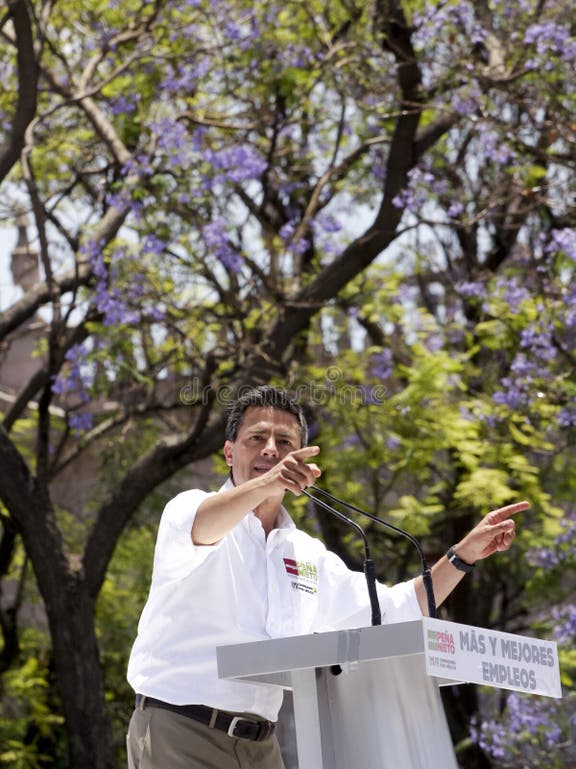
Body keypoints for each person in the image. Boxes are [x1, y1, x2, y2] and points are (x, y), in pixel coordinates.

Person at [126, 385, 528, 769]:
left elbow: (393, 610)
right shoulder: (190, 509)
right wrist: (270, 478)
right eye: (257, 439)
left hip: (260, 746)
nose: (271, 450)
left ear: (302, 458)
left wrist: (462, 555)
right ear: (229, 452)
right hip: (179, 730)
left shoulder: (305, 554)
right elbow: (204, 528)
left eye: (285, 443)